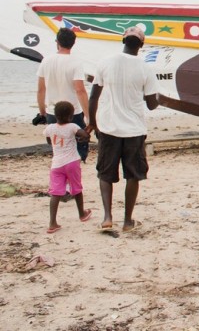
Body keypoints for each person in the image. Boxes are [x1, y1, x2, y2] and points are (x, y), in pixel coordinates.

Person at [88, 26, 160, 232]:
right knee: (133, 175)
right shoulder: (145, 68)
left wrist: (93, 123)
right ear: (142, 45)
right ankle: (128, 221)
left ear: (123, 40)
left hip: (108, 127)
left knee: (105, 173)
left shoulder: (105, 62)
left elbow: (94, 96)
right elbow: (151, 104)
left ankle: (107, 217)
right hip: (134, 130)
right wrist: (158, 98)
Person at [36, 27, 90, 163]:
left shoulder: (46, 61)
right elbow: (80, 90)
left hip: (52, 111)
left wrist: (42, 111)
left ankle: (62, 171)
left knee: (58, 147)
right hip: (73, 111)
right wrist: (89, 115)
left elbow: (41, 89)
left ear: (57, 42)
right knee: (79, 146)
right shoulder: (76, 62)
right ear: (73, 43)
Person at [44, 101, 93, 233]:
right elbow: (85, 135)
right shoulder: (72, 126)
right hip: (72, 162)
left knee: (55, 192)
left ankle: (52, 222)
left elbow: (49, 141)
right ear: (71, 116)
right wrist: (84, 135)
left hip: (56, 164)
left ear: (55, 115)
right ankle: (82, 214)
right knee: (76, 188)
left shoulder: (50, 128)